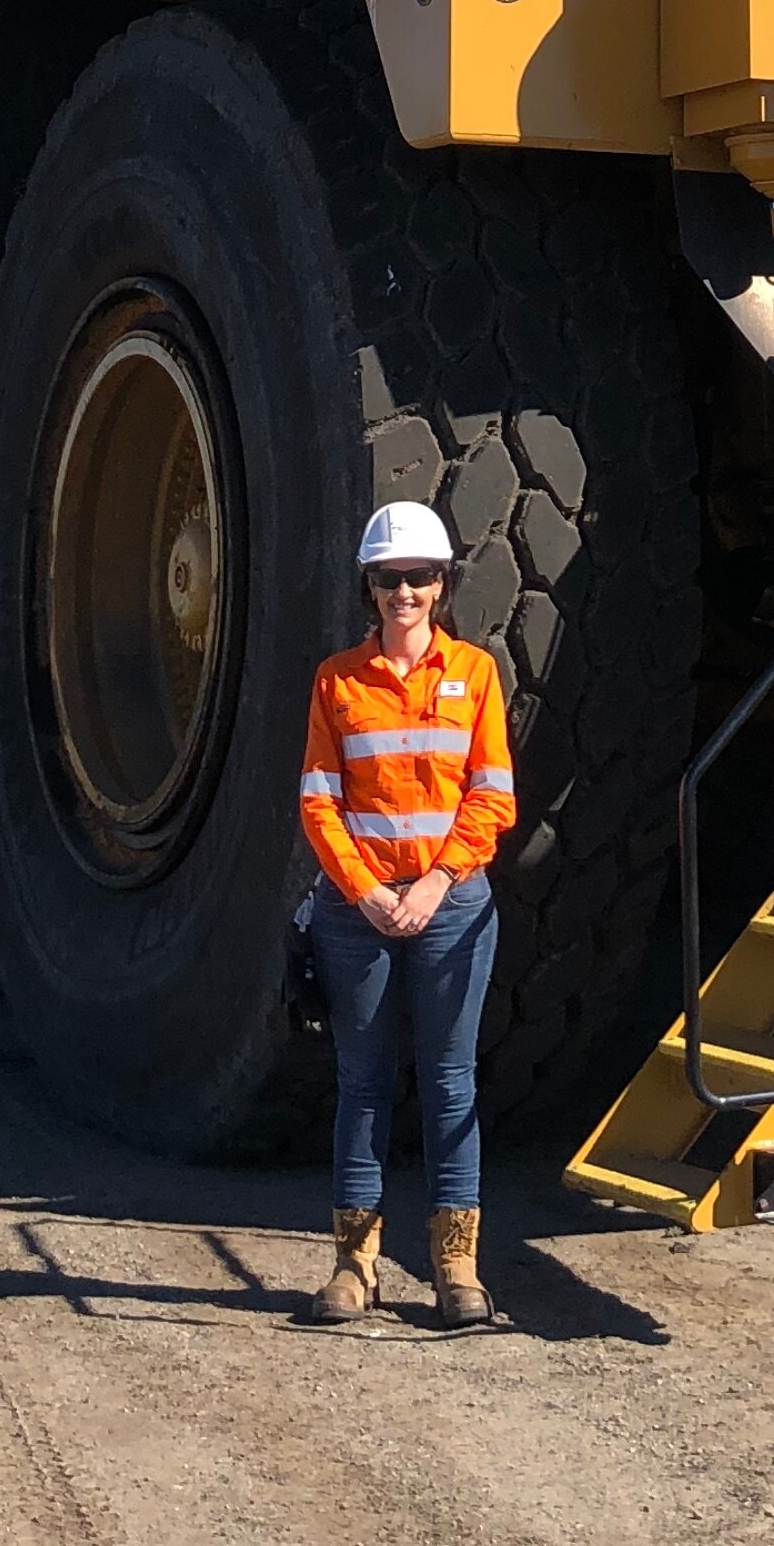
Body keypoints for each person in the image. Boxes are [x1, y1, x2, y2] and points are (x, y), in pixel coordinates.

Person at [294, 500, 517, 1328]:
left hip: (450, 910)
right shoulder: (337, 680)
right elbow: (319, 804)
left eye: (420, 577)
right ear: (371, 588)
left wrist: (431, 887)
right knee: (363, 1084)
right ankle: (355, 1266)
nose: (405, 593)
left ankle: (457, 1267)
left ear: (443, 583)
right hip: (361, 916)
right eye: (390, 579)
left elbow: (493, 798)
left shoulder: (477, 676)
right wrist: (367, 894)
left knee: (451, 1085)